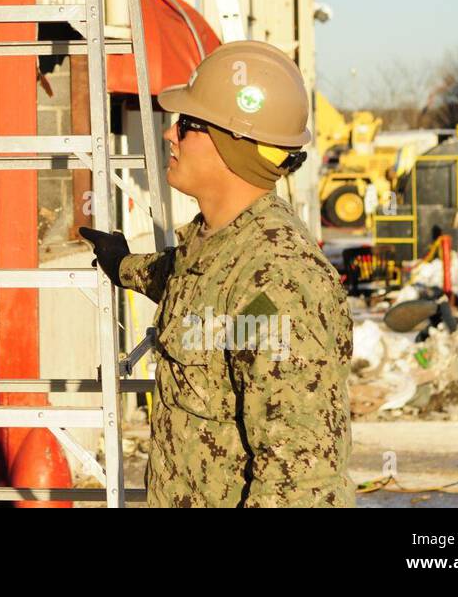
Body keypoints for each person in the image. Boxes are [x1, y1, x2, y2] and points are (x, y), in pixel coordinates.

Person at [81, 40, 354, 507]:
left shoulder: (277, 281)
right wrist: (122, 265)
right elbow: (189, 282)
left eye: (187, 126)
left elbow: (300, 484)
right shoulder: (219, 245)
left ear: (234, 145)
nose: (170, 135)